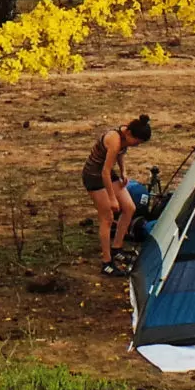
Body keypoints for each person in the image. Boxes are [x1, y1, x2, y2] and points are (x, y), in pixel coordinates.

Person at [83, 114, 151, 276]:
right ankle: (106, 263)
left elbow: (120, 154)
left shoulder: (125, 134)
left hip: (107, 173)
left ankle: (117, 248)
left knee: (129, 208)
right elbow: (105, 172)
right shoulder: (114, 140)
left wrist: (123, 172)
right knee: (107, 217)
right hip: (94, 176)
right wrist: (112, 198)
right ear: (130, 135)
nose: (137, 145)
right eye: (138, 142)